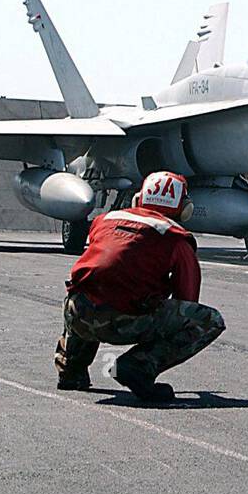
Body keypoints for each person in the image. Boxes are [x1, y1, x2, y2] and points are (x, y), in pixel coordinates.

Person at [56, 170, 226, 403]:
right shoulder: (176, 238)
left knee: (88, 292)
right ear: (183, 207)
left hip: (79, 315)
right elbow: (187, 299)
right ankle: (137, 366)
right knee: (209, 320)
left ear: (139, 197)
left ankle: (71, 371)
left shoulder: (103, 221)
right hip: (127, 319)